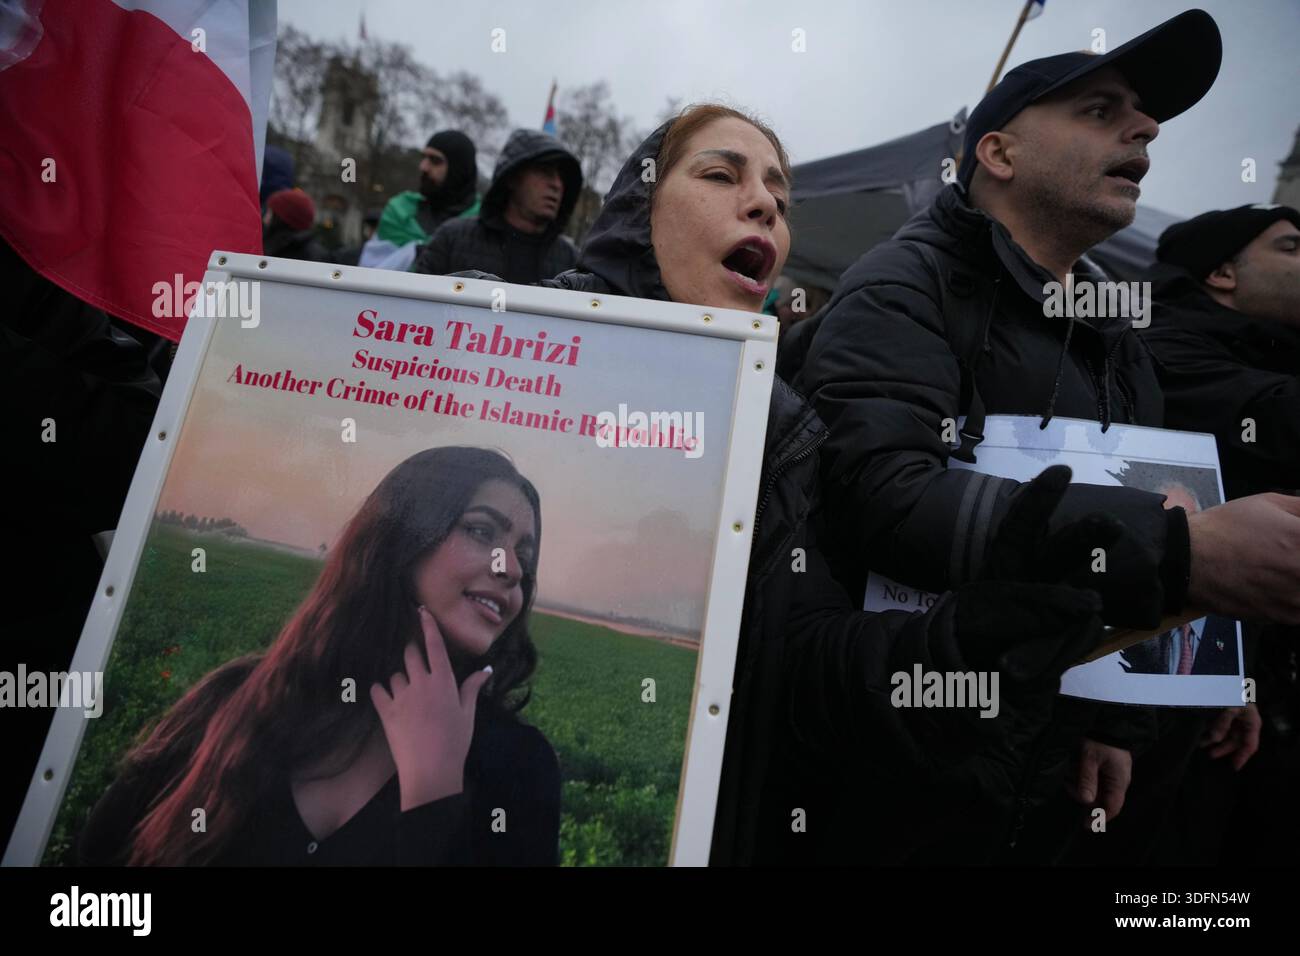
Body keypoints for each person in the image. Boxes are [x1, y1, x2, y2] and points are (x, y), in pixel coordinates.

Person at [455, 102, 1125, 864]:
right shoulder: (504, 338)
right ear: (639, 211)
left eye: (780, 196)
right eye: (720, 174)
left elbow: (801, 666)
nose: (766, 204)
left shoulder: (783, 427)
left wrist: (962, 647)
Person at [792, 10, 1300, 861]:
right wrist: (1183, 554)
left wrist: (1120, 710)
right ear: (999, 153)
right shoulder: (905, 283)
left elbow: (1137, 522)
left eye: (1142, 118)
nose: (1144, 127)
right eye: (1100, 111)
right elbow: (880, 491)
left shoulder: (1119, 338)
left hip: (1049, 787)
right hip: (897, 767)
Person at [76, 447, 560, 866]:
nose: (512, 568)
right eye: (481, 531)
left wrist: (433, 794)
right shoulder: (235, 698)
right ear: (399, 538)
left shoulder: (518, 768)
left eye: (526, 556)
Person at [1137, 203, 1300, 864]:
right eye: (1291, 247)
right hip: (1160, 698)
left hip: (1239, 687)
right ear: (1223, 273)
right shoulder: (1164, 342)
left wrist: (1245, 681)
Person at [412, 128, 581, 285]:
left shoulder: (572, 261)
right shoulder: (452, 239)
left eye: (562, 178)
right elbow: (413, 307)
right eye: (545, 172)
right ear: (512, 177)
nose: (557, 185)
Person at [359, 130, 482, 271]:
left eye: (435, 161)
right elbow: (372, 273)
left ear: (458, 169)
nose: (423, 167)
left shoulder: (483, 221)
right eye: (424, 158)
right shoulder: (399, 211)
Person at [262, 188, 329, 263]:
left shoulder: (286, 250)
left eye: (270, 213)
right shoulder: (284, 245)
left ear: (280, 218)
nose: (265, 218)